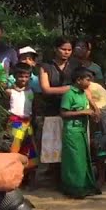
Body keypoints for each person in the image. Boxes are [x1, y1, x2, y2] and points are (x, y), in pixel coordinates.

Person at [36, 38, 77, 177]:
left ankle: (68, 175)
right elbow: (45, 89)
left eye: (69, 50)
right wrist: (68, 89)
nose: (66, 52)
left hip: (72, 109)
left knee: (69, 144)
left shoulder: (75, 66)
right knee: (53, 144)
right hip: (51, 108)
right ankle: (54, 176)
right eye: (63, 49)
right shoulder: (45, 66)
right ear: (55, 49)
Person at [58, 68, 101, 199]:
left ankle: (85, 185)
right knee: (74, 160)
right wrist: (83, 112)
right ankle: (74, 188)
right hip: (71, 131)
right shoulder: (69, 94)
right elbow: (63, 113)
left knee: (83, 159)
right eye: (87, 80)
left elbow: (89, 109)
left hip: (82, 130)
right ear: (78, 80)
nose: (90, 83)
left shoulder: (84, 94)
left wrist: (93, 112)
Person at [6, 64, 37, 169]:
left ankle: (26, 174)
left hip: (28, 123)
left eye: (26, 76)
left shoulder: (30, 91)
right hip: (16, 122)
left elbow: (33, 106)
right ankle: (12, 170)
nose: (23, 79)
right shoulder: (10, 91)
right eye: (21, 76)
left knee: (29, 147)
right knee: (16, 146)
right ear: (15, 76)